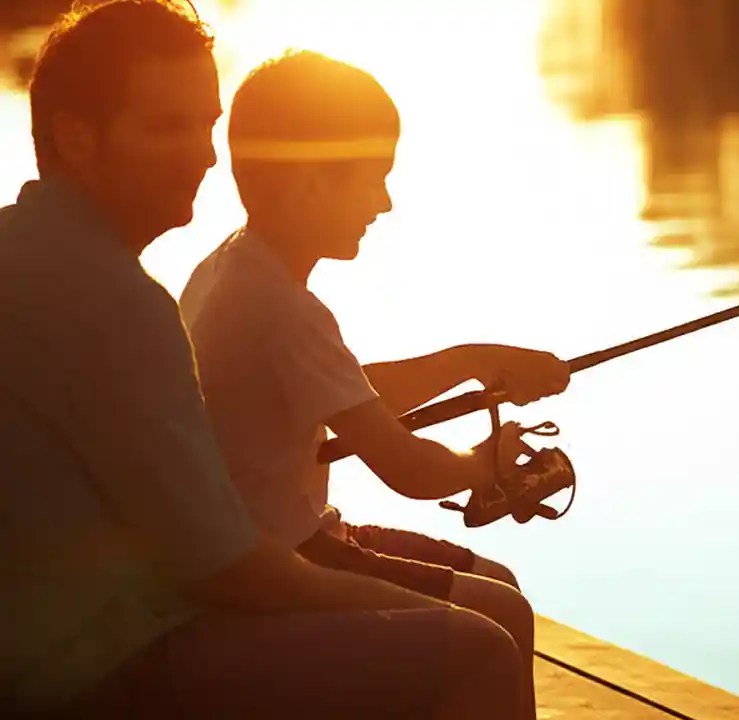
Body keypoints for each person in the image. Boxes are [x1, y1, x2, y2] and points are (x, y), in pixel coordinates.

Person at [0, 3, 523, 717]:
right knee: (481, 646)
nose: (204, 157)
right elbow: (231, 571)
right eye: (168, 127)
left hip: (66, 639)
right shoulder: (116, 303)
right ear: (75, 138)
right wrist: (407, 606)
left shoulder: (31, 254)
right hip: (102, 669)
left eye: (207, 124)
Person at [177, 49, 570, 719]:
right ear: (309, 185)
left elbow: (346, 395)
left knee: (497, 586)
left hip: (288, 535)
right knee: (500, 615)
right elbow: (406, 467)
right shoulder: (284, 307)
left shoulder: (233, 269)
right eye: (373, 179)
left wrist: (470, 360)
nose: (384, 203)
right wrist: (486, 464)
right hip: (288, 554)